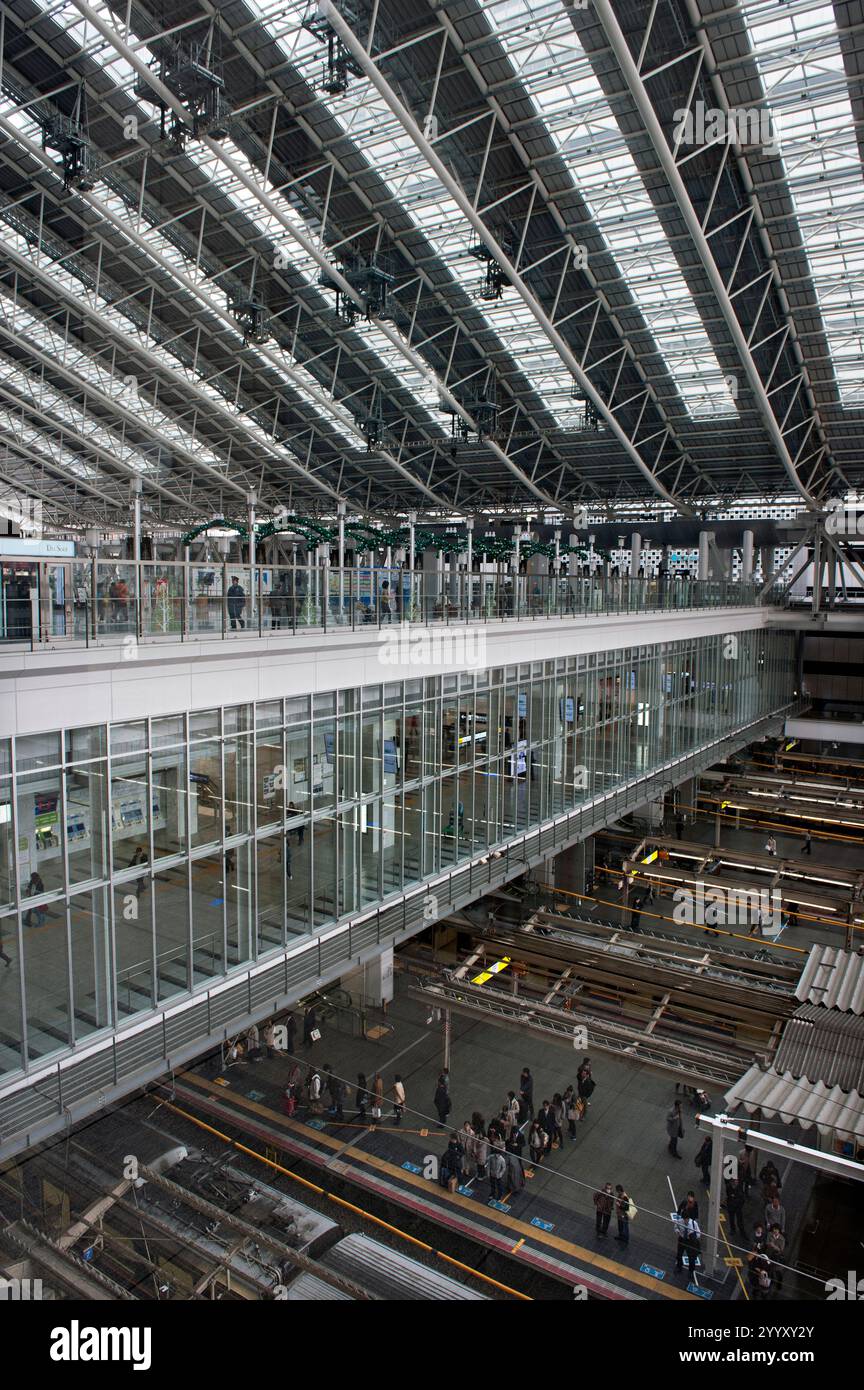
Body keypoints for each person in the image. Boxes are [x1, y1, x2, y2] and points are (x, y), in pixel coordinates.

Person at [724, 1176, 747, 1240]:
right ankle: (733, 1229)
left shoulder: (739, 1187)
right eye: (735, 1181)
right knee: (731, 1218)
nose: (736, 1182)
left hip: (738, 1206)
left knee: (740, 1220)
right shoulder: (729, 1187)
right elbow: (729, 1196)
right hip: (731, 1205)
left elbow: (741, 1197)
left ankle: (741, 1231)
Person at [766, 1224, 785, 1291]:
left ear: (779, 1231)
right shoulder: (769, 1234)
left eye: (776, 1229)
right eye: (774, 1229)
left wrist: (773, 1245)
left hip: (777, 1258)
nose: (775, 1231)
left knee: (778, 1272)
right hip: (769, 1256)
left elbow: (780, 1250)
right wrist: (773, 1246)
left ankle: (779, 1284)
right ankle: (772, 1281)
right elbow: (767, 1244)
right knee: (770, 1270)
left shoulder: (782, 1239)